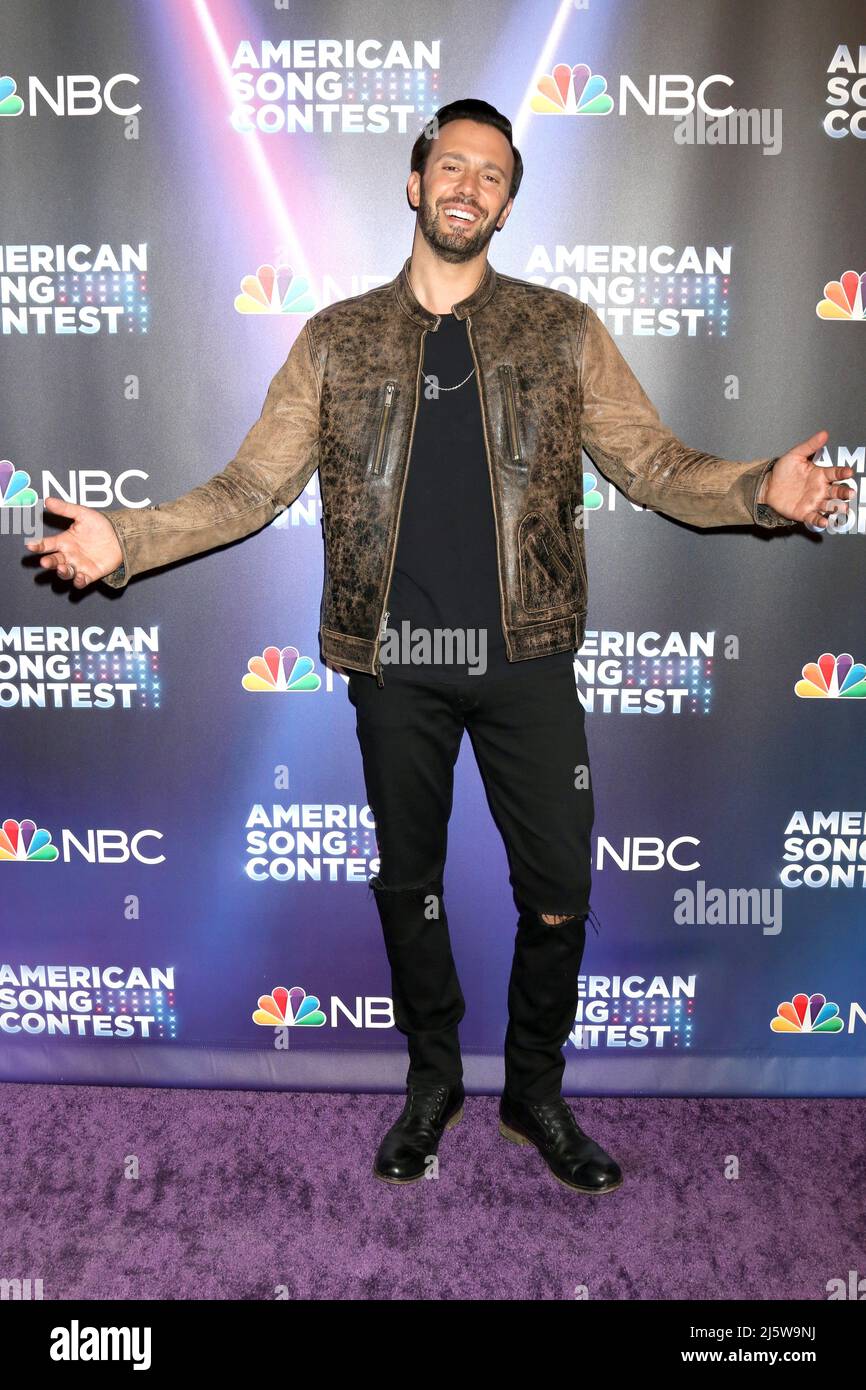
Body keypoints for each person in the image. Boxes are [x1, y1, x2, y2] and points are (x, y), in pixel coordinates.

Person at [25, 99, 854, 1195]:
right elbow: (248, 489)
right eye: (450, 165)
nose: (468, 185)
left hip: (528, 660)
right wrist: (123, 536)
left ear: (507, 202)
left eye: (492, 174)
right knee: (408, 885)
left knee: (557, 888)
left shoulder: (558, 330)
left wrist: (758, 489)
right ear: (414, 185)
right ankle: (431, 1081)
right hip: (394, 667)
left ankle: (533, 1092)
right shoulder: (337, 338)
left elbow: (652, 464)